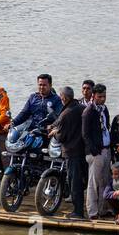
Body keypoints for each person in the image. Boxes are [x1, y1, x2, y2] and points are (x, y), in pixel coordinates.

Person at [50, 86, 86, 219]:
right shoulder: (81, 107)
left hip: (71, 151)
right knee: (81, 181)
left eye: (61, 97)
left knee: (74, 182)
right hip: (83, 150)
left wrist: (54, 132)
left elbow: (61, 136)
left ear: (63, 98)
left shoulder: (66, 113)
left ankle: (78, 212)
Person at [82, 83, 112, 219]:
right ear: (93, 96)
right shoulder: (89, 111)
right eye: (100, 96)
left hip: (106, 150)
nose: (103, 99)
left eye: (104, 96)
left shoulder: (104, 109)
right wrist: (94, 150)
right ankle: (92, 212)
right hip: (96, 152)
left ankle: (102, 209)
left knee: (104, 181)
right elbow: (85, 134)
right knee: (93, 183)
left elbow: (107, 126)